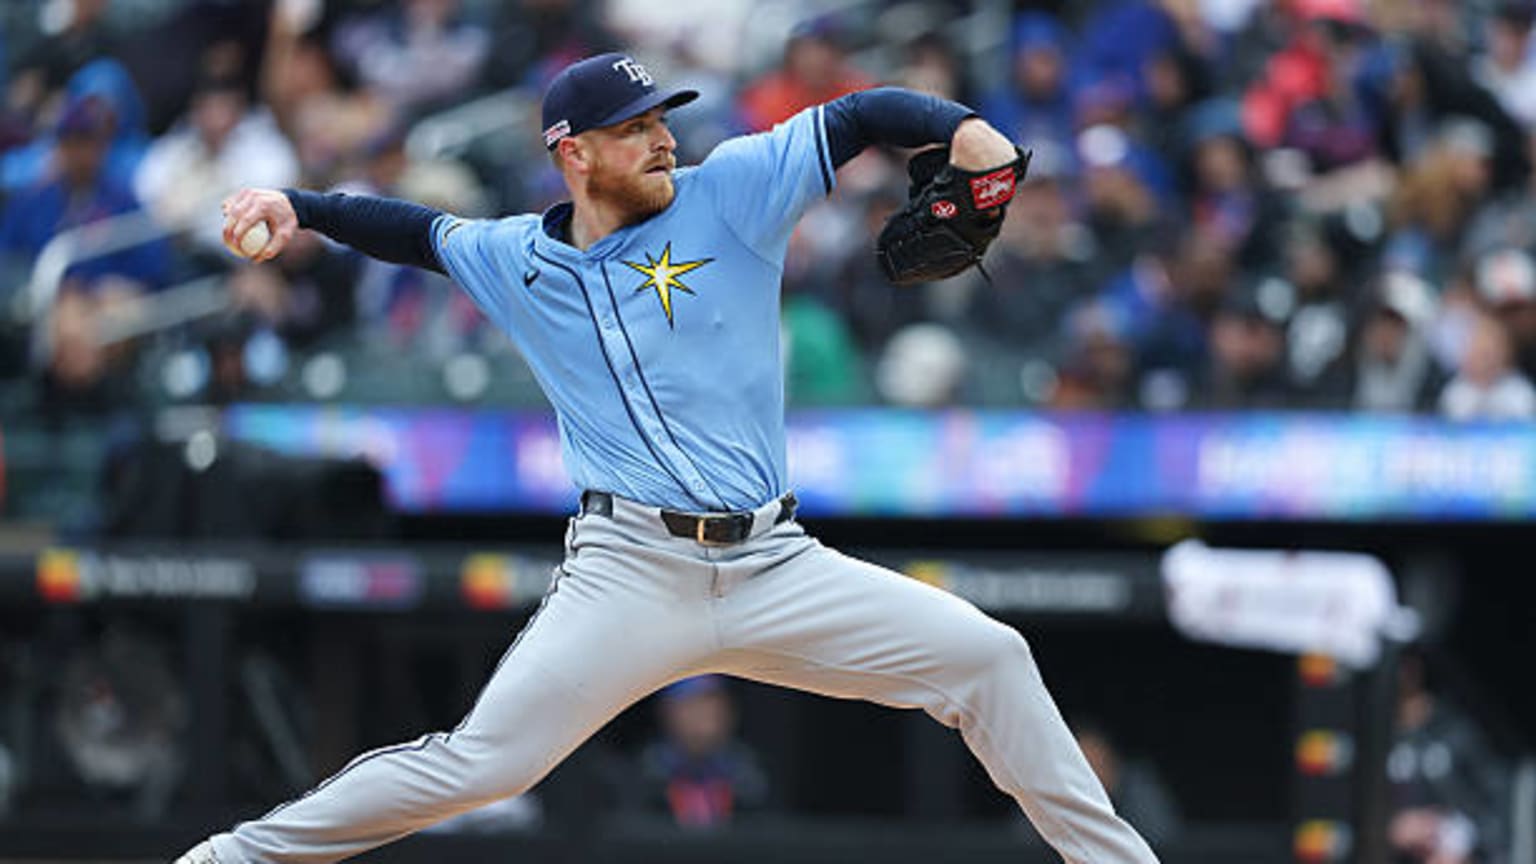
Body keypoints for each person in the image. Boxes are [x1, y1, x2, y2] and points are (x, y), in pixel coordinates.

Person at [181, 51, 1159, 864]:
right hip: (630, 576)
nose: (664, 138)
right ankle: (234, 859)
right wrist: (295, 203)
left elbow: (859, 114)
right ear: (573, 153)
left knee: (989, 657)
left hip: (775, 563)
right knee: (482, 765)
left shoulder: (731, 192)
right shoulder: (516, 255)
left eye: (663, 118)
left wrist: (964, 131)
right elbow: (410, 231)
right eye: (636, 126)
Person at [634, 674, 770, 828]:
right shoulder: (643, 774)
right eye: (691, 703)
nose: (705, 713)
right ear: (667, 710)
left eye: (713, 702)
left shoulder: (750, 775)